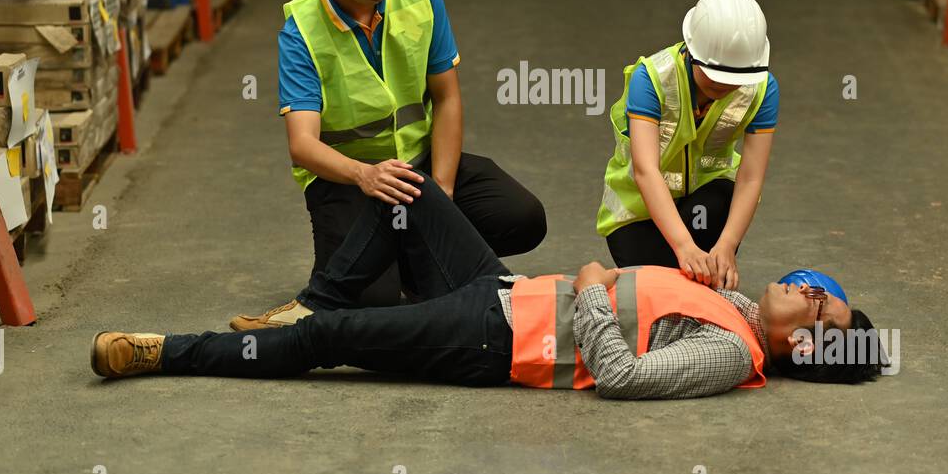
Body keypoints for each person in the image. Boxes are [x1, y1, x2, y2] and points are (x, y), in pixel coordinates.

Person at [91, 176, 885, 398]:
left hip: (497, 338)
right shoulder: (734, 305)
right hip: (506, 290)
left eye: (819, 303)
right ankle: (320, 296)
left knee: (329, 348)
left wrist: (592, 287)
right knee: (410, 193)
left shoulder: (726, 356)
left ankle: (166, 353)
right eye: (820, 282)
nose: (810, 286)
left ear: (803, 346)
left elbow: (621, 375)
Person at [245, 0, 546, 323]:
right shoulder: (302, 32)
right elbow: (303, 145)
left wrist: (439, 195)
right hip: (350, 183)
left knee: (523, 217)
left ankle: (410, 253)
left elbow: (447, 97)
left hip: (419, 165)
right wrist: (364, 174)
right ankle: (406, 263)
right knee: (373, 302)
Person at [597, 0, 777, 292]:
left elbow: (750, 178)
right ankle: (691, 269)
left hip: (707, 207)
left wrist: (728, 246)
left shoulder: (762, 88)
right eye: (716, 73)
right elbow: (645, 170)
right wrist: (683, 246)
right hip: (639, 215)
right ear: (692, 53)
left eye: (735, 78)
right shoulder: (651, 78)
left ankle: (704, 265)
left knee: (720, 204)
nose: (724, 84)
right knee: (658, 283)